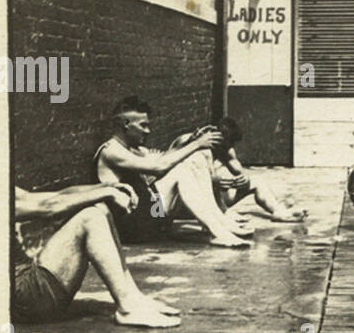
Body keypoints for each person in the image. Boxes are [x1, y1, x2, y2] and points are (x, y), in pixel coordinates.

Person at [12, 183, 181, 328]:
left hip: (26, 288)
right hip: (26, 300)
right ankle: (128, 308)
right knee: (90, 217)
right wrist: (107, 192)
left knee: (99, 209)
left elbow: (54, 195)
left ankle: (133, 297)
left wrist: (105, 187)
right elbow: (49, 207)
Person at [94, 97, 249, 248]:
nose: (148, 131)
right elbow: (159, 167)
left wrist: (190, 142)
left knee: (193, 160)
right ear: (126, 124)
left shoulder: (130, 148)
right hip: (132, 228)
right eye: (143, 126)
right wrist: (197, 144)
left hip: (150, 214)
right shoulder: (111, 151)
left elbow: (162, 160)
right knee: (183, 169)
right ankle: (217, 231)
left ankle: (219, 222)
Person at [169, 116, 306, 231]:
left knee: (257, 181)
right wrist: (216, 181)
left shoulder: (226, 148)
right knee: (212, 181)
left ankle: (278, 211)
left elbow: (241, 173)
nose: (228, 148)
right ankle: (218, 219)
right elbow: (173, 174)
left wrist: (241, 180)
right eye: (226, 144)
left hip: (211, 198)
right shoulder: (189, 142)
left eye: (230, 145)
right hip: (185, 202)